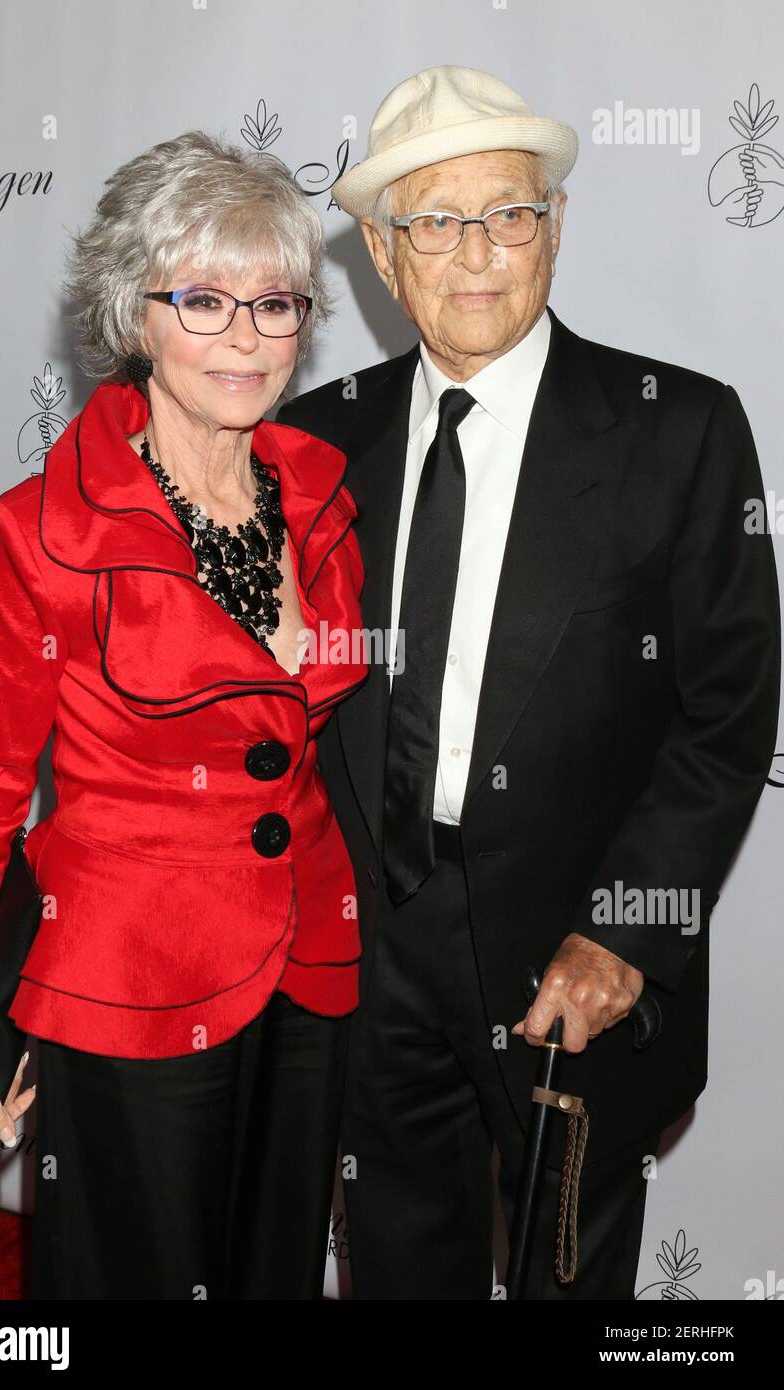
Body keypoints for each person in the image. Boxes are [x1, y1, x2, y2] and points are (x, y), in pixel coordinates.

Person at [276, 65, 781, 1298]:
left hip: (574, 953)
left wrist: (624, 932)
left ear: (552, 228)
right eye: (436, 222)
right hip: (374, 945)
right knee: (397, 1263)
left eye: (508, 213)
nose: (479, 255)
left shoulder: (678, 428)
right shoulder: (319, 436)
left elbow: (727, 714)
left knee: (572, 1280)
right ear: (384, 263)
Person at [0, 129, 368, 1300]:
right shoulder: (46, 530)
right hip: (129, 968)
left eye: (275, 303)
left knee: (272, 1268)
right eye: (203, 299)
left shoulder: (319, 488)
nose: (245, 337)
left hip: (308, 959)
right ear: (134, 314)